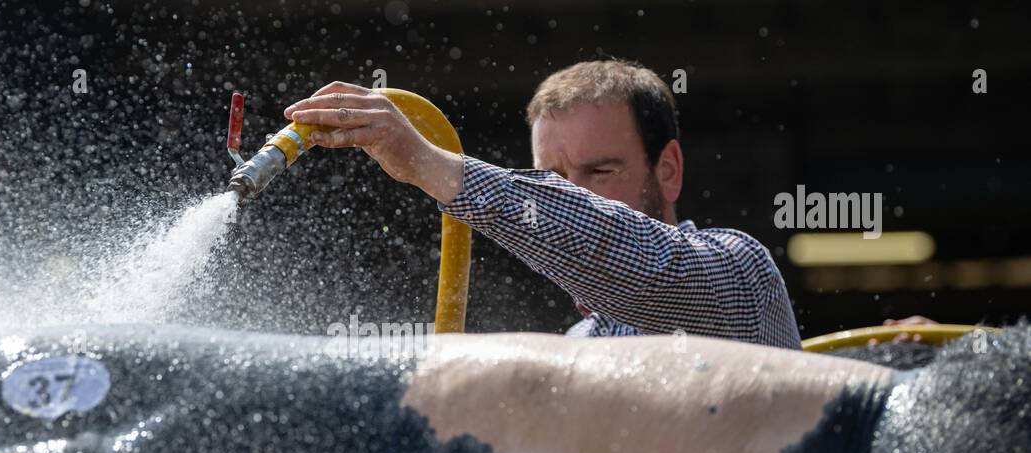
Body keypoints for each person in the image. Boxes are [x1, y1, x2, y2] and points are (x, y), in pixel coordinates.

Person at [284, 59, 802, 348]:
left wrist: (432, 165)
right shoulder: (576, 346)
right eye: (551, 180)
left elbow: (643, 265)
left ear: (667, 170)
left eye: (599, 171)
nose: (571, 196)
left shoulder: (741, 277)